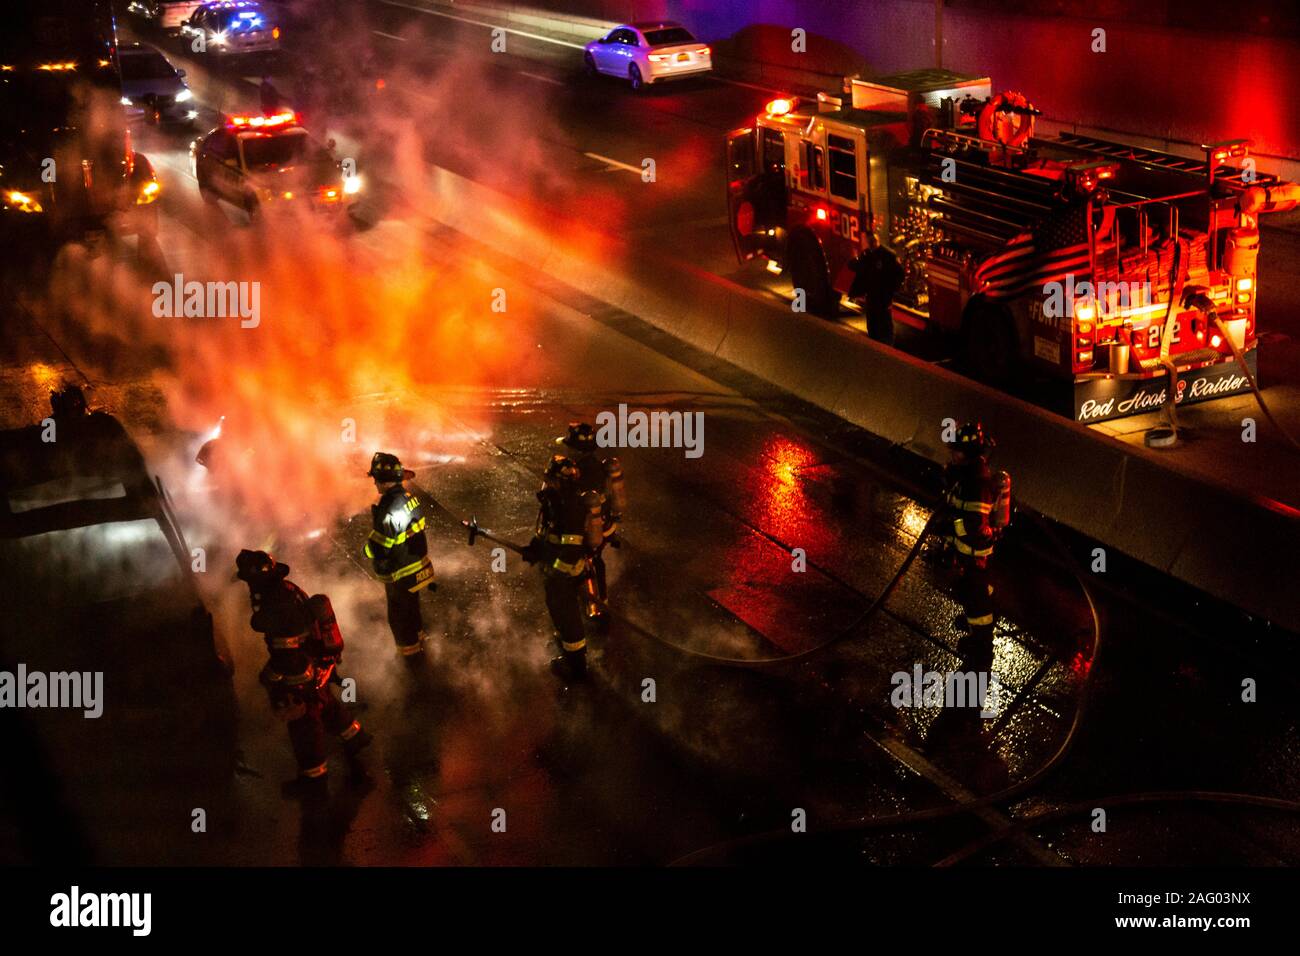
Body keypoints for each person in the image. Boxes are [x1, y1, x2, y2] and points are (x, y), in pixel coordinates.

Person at [235, 549, 370, 800]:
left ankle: (315, 783)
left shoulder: (276, 604)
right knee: (326, 704)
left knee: (304, 728)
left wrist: (272, 678)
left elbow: (285, 653)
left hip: (301, 673)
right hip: (317, 662)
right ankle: (356, 739)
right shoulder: (287, 588)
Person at [521, 456, 604, 683]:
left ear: (562, 482)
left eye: (551, 480)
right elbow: (546, 533)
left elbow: (571, 549)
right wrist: (534, 548)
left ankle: (577, 667)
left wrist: (558, 574)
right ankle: (565, 648)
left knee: (568, 618)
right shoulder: (554, 503)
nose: (547, 484)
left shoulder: (571, 508)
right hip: (555, 571)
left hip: (566, 573)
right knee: (558, 612)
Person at [940, 423, 1000, 672]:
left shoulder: (978, 483)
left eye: (958, 451)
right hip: (965, 550)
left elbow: (973, 525)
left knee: (975, 597)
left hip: (973, 553)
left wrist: (951, 527)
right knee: (975, 590)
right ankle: (975, 623)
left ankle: (982, 644)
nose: (953, 454)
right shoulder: (967, 474)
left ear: (969, 453)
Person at [555, 422, 626, 628]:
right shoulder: (600, 467)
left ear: (575, 449)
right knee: (596, 561)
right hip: (604, 526)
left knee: (582, 564)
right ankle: (600, 604)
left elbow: (571, 504)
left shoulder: (577, 473)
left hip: (585, 529)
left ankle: (592, 607)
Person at [364, 453, 435, 658]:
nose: (375, 483)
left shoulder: (387, 509)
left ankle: (410, 656)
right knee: (412, 609)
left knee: (399, 616)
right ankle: (420, 640)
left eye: (376, 479)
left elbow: (379, 546)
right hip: (416, 565)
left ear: (383, 481)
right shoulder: (409, 497)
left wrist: (366, 550)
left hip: (400, 572)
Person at [848, 234, 904, 346]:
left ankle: (887, 346)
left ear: (877, 241)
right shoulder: (868, 255)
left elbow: (899, 274)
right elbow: (856, 266)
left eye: (873, 242)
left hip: (883, 297)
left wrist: (891, 290)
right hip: (873, 296)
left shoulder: (888, 256)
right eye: (870, 242)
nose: (872, 244)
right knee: (873, 324)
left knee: (885, 324)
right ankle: (876, 345)